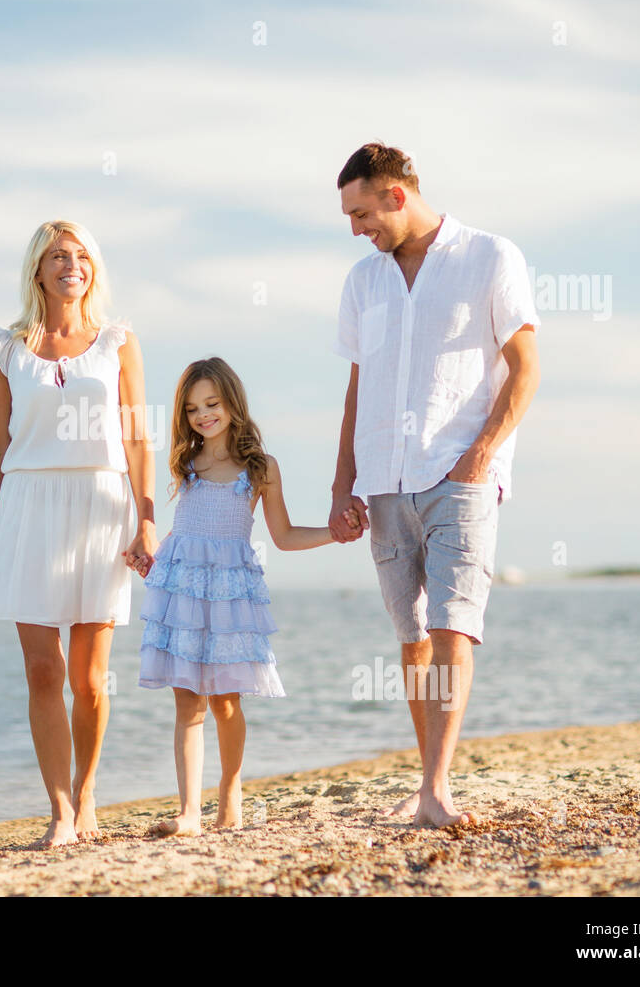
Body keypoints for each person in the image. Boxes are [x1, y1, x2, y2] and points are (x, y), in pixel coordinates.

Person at [328, 142, 541, 828]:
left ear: (396, 194)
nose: (357, 229)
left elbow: (526, 366)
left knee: (454, 626)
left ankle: (438, 787)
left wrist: (480, 454)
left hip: (460, 475)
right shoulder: (363, 282)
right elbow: (357, 389)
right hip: (385, 481)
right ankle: (427, 782)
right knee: (412, 636)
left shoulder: (490, 257)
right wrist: (342, 484)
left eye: (362, 213)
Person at [0, 220, 156, 848]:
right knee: (41, 671)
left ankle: (86, 795)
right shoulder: (6, 347)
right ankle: (58, 810)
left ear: (93, 269)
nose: (70, 265)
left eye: (80, 256)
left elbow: (137, 435)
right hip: (29, 503)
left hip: (99, 502)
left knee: (88, 677)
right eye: (57, 255)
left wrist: (147, 519)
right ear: (38, 268)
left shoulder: (117, 341)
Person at [131, 357, 339, 838]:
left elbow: (283, 536)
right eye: (192, 409)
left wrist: (334, 533)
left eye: (212, 404)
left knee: (225, 701)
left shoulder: (260, 468)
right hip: (182, 592)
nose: (203, 415)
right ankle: (188, 812)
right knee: (187, 701)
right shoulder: (186, 464)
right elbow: (183, 537)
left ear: (232, 404)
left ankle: (230, 792)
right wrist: (150, 560)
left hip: (228, 595)